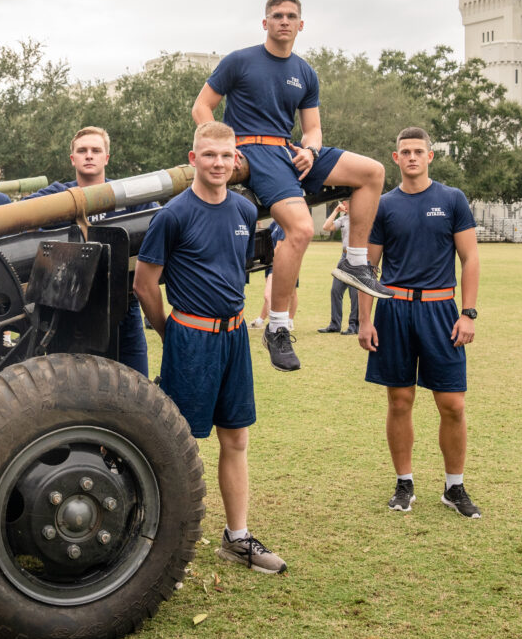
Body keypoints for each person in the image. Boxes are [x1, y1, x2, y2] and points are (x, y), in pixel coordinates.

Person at [192, 0, 390, 373]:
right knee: (300, 229)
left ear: (301, 24)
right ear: (265, 23)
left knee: (373, 172)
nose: (284, 21)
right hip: (254, 151)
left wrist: (311, 151)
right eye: (277, 15)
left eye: (291, 16)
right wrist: (223, 147)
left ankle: (355, 261)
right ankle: (278, 327)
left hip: (291, 151)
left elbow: (312, 129)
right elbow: (202, 106)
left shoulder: (305, 72)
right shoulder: (239, 61)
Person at [133, 121, 286, 574]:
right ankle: (156, 545)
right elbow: (145, 285)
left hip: (235, 336)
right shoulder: (172, 215)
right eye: (209, 155)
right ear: (192, 158)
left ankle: (236, 538)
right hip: (190, 338)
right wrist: (172, 333)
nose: (219, 163)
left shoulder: (243, 211)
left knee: (235, 438)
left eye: (227, 155)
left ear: (236, 159)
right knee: (175, 444)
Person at [356, 127, 482, 519]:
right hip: (394, 311)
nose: (411, 157)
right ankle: (404, 483)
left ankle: (454, 486)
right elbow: (367, 267)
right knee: (399, 400)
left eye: (418, 151)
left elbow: (471, 258)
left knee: (453, 405)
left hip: (441, 310)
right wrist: (364, 319)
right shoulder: (384, 205)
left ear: (430, 156)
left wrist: (468, 312)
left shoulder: (452, 199)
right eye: (404, 152)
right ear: (395, 159)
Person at [28, 126, 156, 377]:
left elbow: (160, 221)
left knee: (136, 383)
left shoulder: (126, 194)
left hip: (123, 307)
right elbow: (21, 214)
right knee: (71, 388)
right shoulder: (56, 195)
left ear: (106, 158)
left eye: (96, 150)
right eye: (82, 150)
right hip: (70, 311)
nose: (89, 155)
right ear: (72, 158)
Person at [318, 199, 361, 335]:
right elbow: (326, 227)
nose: (343, 205)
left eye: (345, 202)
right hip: (344, 258)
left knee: (354, 294)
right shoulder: (343, 219)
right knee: (335, 290)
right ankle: (335, 324)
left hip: (357, 258)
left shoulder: (362, 217)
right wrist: (336, 211)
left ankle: (354, 326)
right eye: (342, 203)